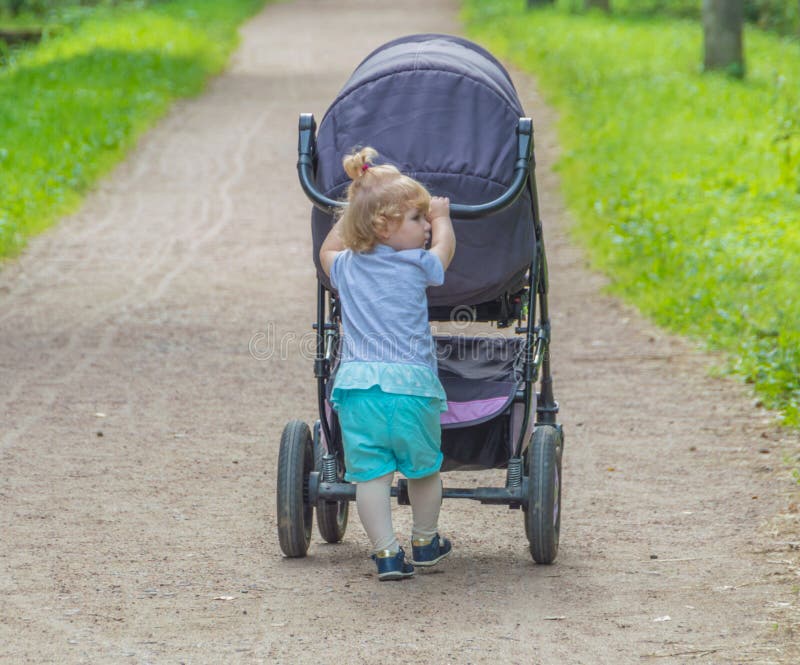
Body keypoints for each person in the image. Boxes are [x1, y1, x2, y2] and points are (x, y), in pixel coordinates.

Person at [319, 147, 456, 581]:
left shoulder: (346, 267)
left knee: (371, 477)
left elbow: (327, 250)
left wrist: (355, 213)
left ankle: (386, 554)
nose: (423, 227)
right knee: (424, 469)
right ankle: (425, 540)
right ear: (383, 225)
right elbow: (443, 255)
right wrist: (442, 220)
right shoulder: (415, 265)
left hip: (358, 389)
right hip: (412, 388)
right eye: (415, 219)